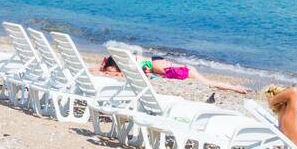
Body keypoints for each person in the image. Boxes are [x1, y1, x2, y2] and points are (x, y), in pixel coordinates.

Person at [96, 53, 250, 95]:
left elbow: (120, 73)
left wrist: (106, 70)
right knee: (207, 82)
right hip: (170, 67)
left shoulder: (134, 64)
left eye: (110, 69)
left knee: (208, 83)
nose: (110, 73)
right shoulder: (132, 60)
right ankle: (234, 87)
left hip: (181, 71)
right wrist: (104, 69)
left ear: (114, 65)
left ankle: (234, 88)